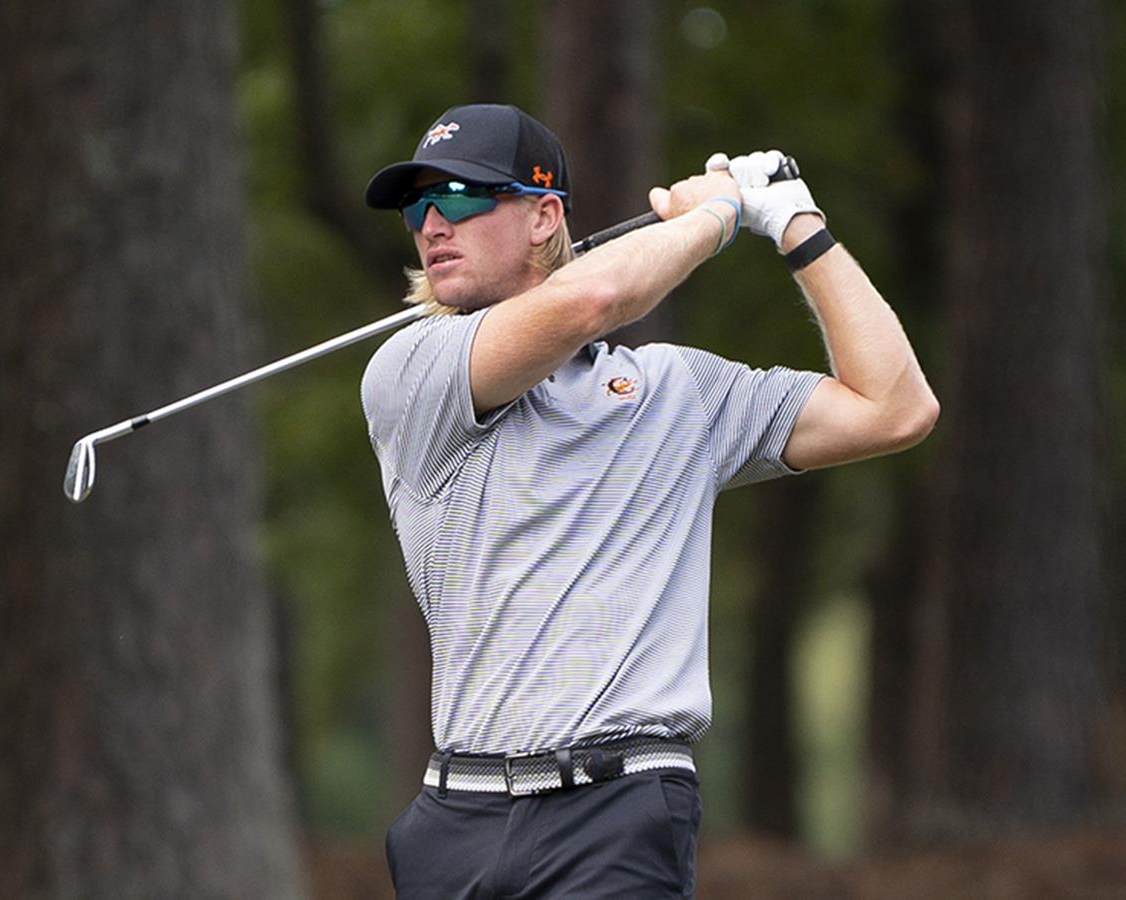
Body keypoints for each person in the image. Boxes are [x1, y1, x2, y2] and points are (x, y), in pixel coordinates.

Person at [359, 103, 937, 899]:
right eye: (416, 207)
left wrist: (796, 225)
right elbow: (591, 300)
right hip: (454, 820)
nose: (431, 224)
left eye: (458, 197)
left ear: (543, 218)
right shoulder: (412, 371)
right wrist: (719, 214)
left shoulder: (677, 392)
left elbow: (895, 407)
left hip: (616, 815)